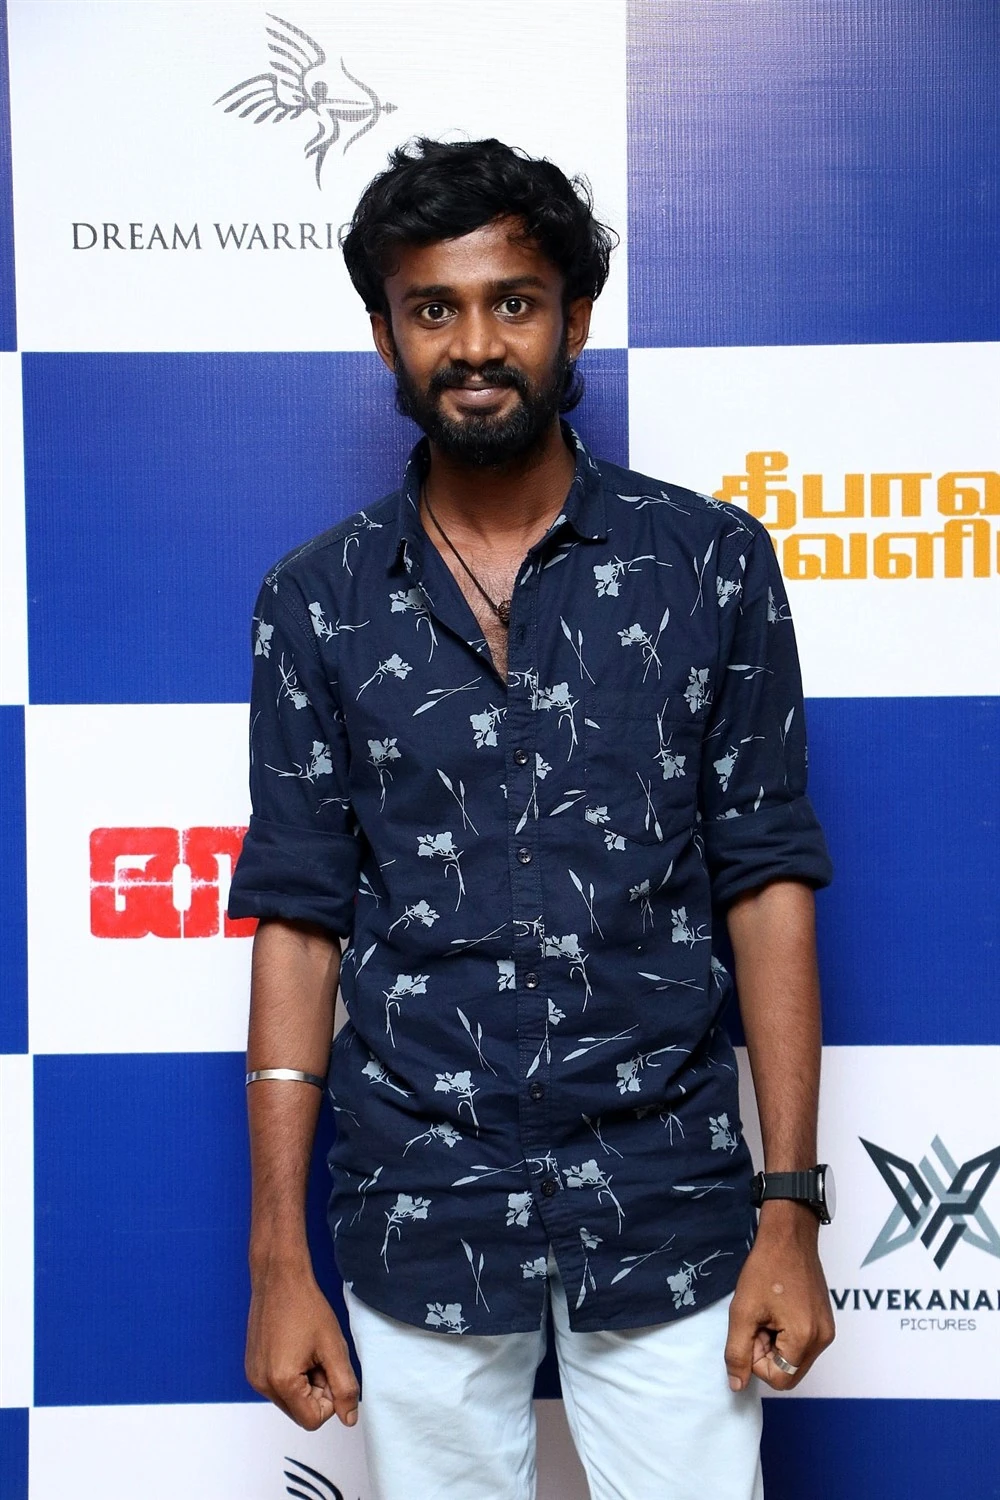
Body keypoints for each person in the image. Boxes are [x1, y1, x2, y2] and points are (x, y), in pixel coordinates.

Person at [228, 137, 836, 1500]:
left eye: (513, 301)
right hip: (417, 1199)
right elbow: (297, 923)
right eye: (432, 308)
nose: (474, 344)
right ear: (384, 334)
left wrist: (790, 1208)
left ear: (576, 318)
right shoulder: (316, 601)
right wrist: (277, 1259)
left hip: (669, 1195)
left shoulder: (709, 564)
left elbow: (766, 880)